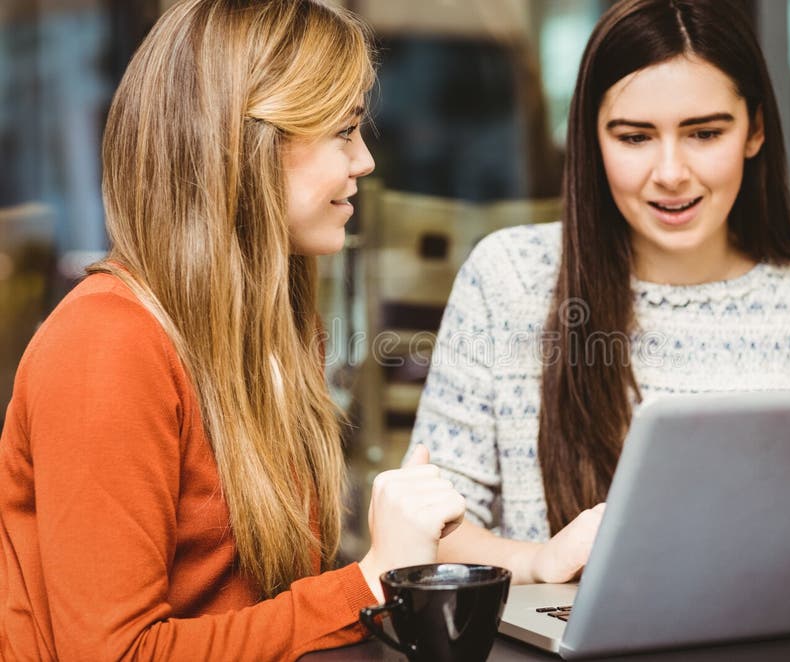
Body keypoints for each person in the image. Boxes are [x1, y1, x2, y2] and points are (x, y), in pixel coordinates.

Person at [0, 1, 465, 659]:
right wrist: (366, 582)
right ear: (250, 147)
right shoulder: (106, 348)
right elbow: (116, 653)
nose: (363, 162)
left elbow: (260, 617)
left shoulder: (270, 335)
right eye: (344, 131)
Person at [408, 0, 790, 586]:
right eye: (635, 137)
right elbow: (429, 528)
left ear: (756, 130)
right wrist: (538, 563)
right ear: (592, 139)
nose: (670, 172)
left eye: (705, 133)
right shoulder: (509, 278)